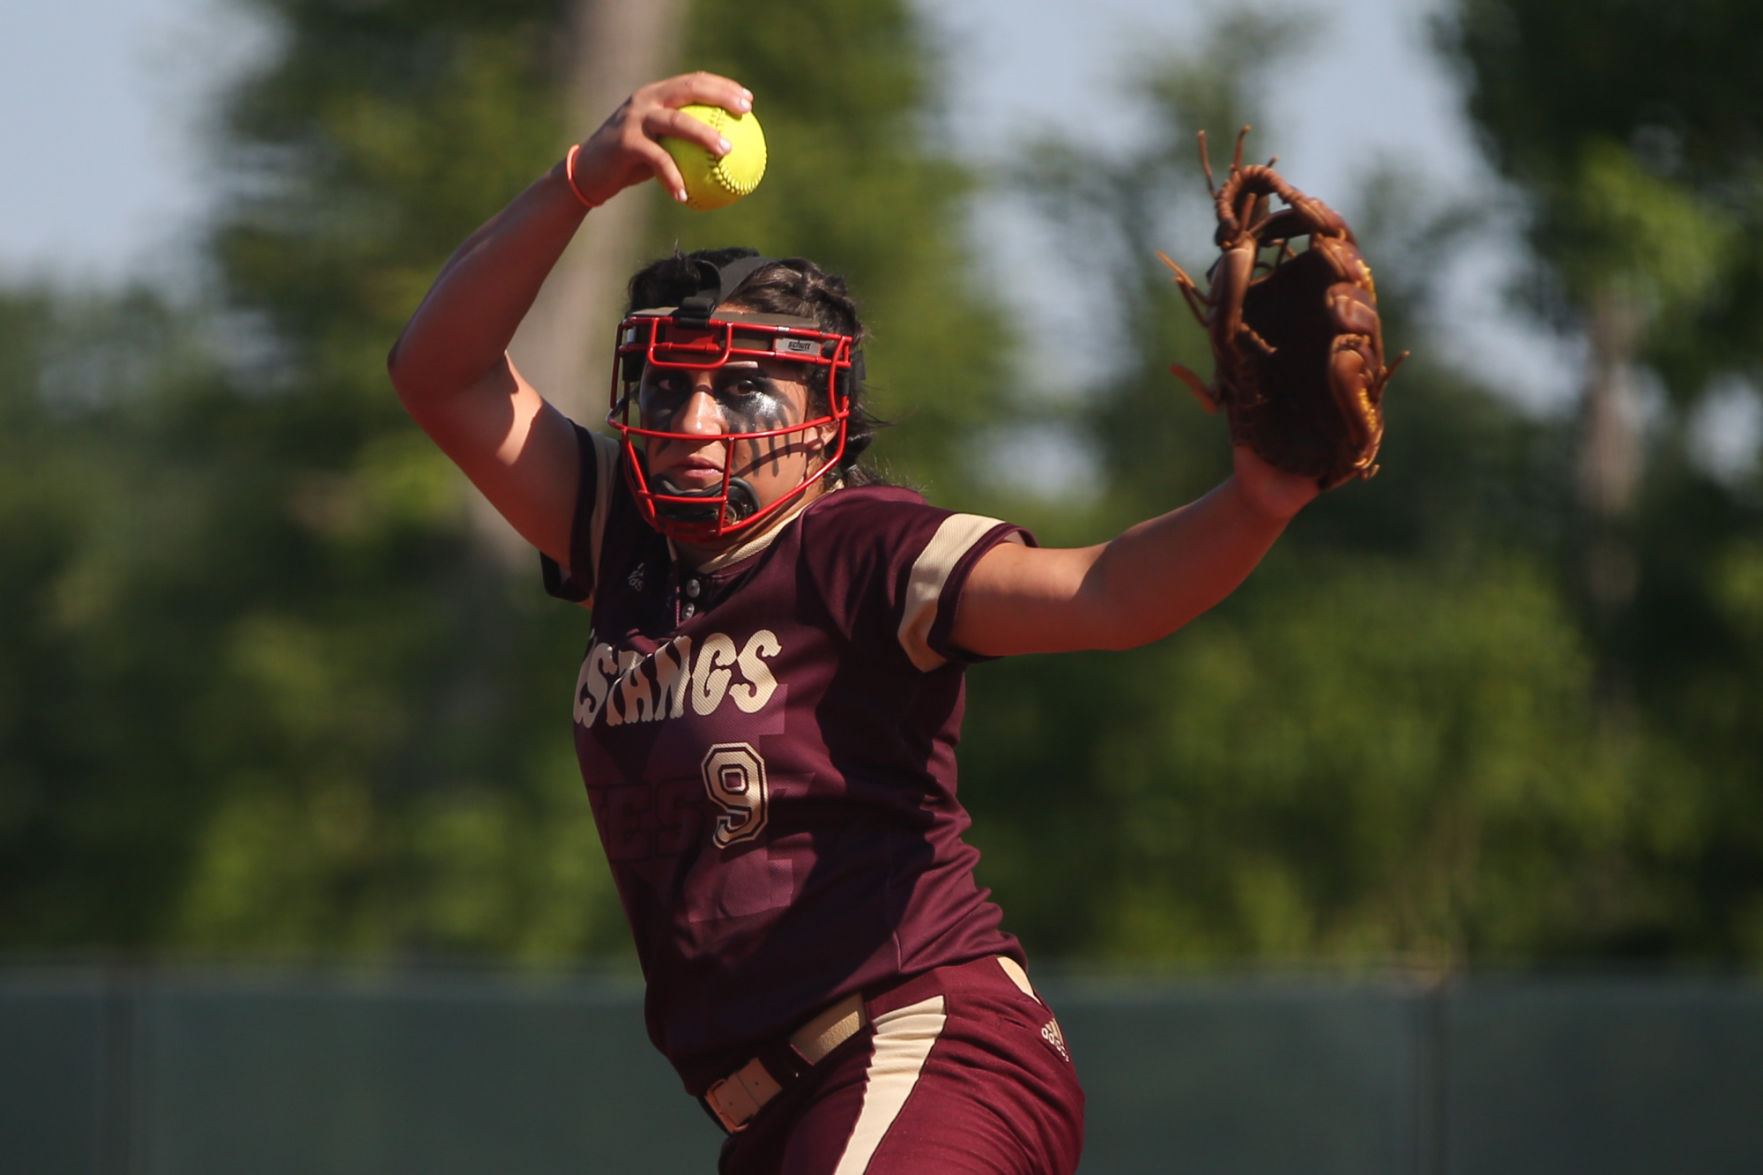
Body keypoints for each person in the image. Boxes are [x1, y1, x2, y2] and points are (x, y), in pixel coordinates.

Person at [388, 71, 1320, 1175]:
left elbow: (1107, 592)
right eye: (666, 388)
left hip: (927, 1042)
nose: (693, 420)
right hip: (781, 1110)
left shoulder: (857, 547)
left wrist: (1257, 500)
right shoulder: (624, 539)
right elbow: (438, 374)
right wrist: (580, 179)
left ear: (826, 419)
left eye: (742, 391)